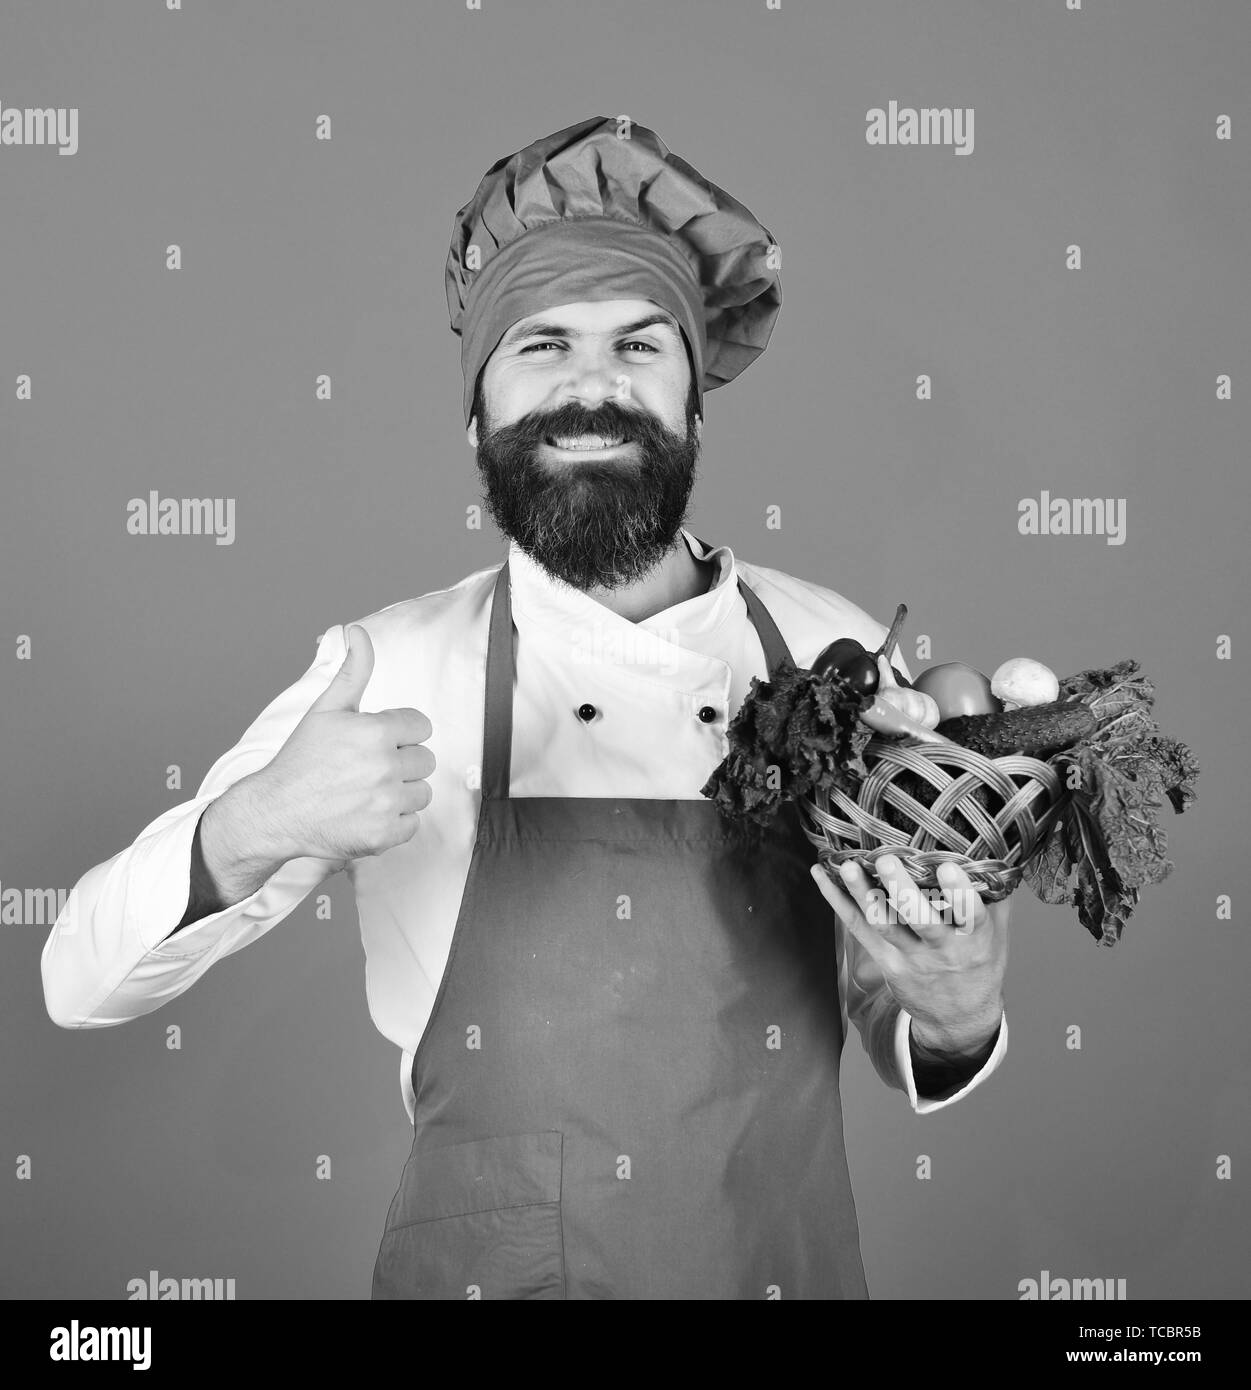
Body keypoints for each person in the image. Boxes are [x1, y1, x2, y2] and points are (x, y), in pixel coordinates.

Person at [42, 115, 1009, 1301]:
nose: (593, 387)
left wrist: (957, 1013)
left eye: (640, 346)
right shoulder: (391, 666)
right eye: (543, 344)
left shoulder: (832, 653)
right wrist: (255, 824)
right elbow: (75, 976)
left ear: (696, 401)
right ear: (476, 413)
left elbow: (899, 1002)